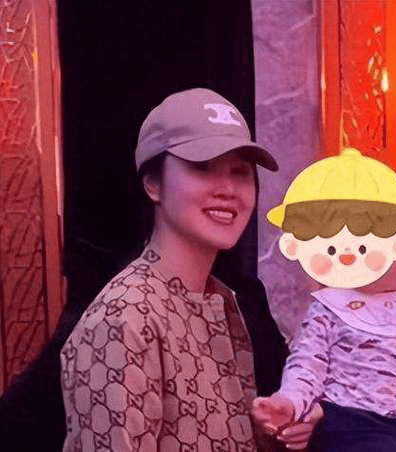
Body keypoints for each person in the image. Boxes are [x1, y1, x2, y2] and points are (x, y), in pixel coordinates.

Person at [59, 88, 313, 451]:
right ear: (153, 184)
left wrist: (279, 431)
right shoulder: (124, 318)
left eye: (240, 172)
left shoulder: (224, 300)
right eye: (203, 167)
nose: (228, 188)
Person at [252, 149, 396, 452]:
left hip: (394, 429)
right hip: (335, 422)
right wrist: (288, 402)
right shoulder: (329, 306)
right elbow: (307, 365)